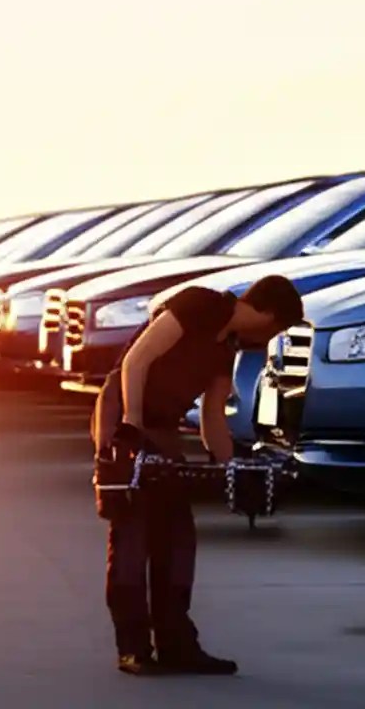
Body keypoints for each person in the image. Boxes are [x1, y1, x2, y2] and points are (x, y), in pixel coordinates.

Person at [91, 275, 304, 676]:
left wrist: (231, 470)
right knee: (132, 536)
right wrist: (131, 425)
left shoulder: (227, 348)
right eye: (276, 328)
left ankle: (178, 646)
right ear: (268, 314)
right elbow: (137, 360)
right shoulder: (199, 305)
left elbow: (212, 416)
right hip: (123, 416)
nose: (271, 336)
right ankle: (133, 649)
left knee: (176, 539)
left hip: (163, 429)